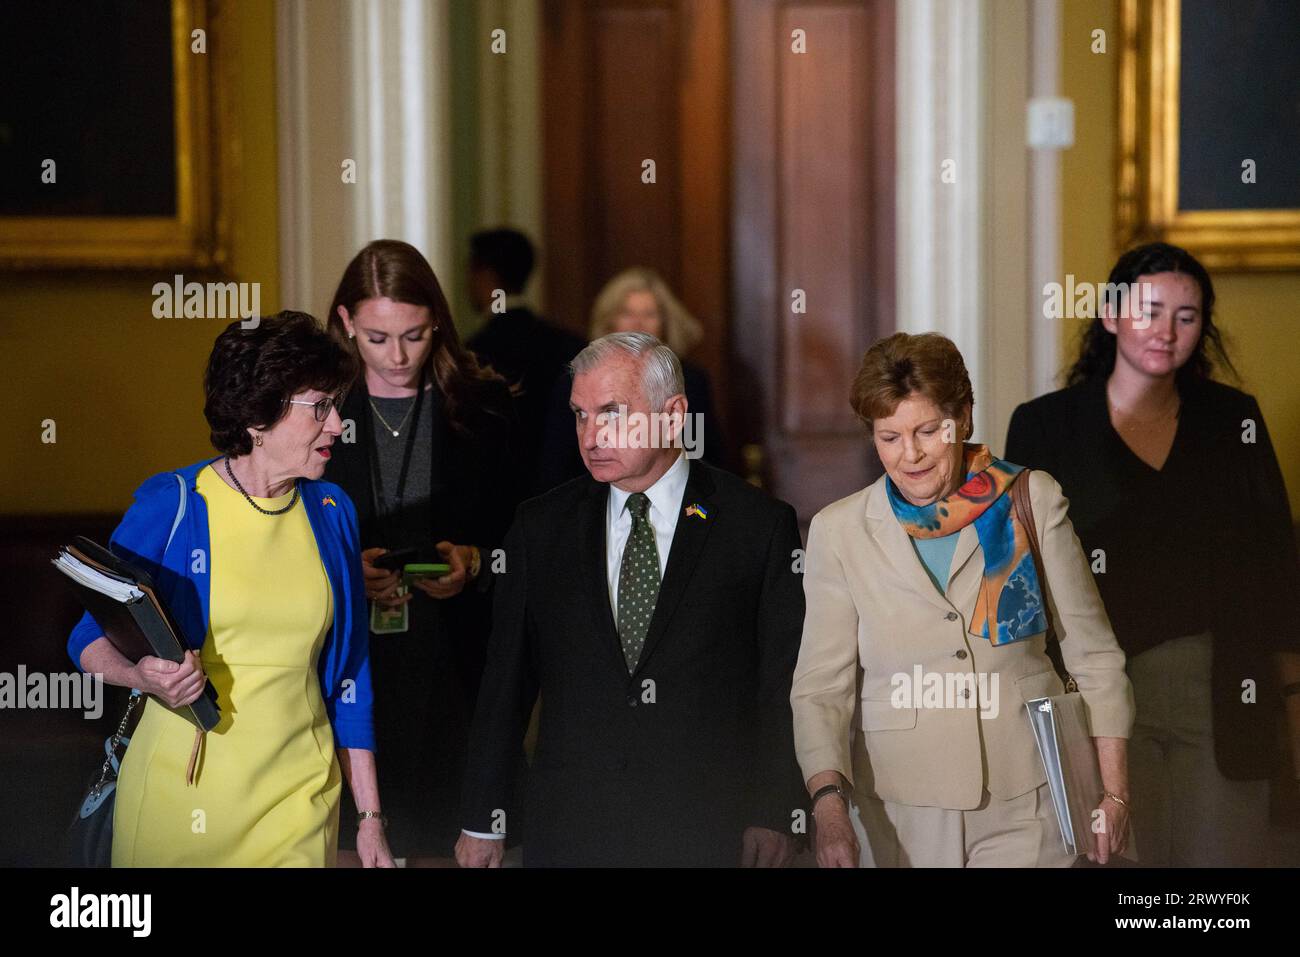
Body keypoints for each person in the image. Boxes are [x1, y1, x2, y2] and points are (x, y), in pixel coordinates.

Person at [456, 332, 806, 867]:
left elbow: (778, 686)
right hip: (572, 829)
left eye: (612, 413)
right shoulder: (541, 527)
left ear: (674, 414)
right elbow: (505, 683)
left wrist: (776, 808)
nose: (591, 435)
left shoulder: (756, 526)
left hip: (708, 829)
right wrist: (484, 816)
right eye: (579, 415)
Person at [1005, 242, 1300, 866]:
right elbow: (1019, 572)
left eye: (1187, 316)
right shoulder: (1044, 425)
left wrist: (1292, 696)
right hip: (1093, 688)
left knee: (1215, 880)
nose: (1166, 332)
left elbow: (1275, 563)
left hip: (1220, 686)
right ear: (1110, 316)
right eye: (1150, 310)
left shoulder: (1232, 420)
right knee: (1122, 866)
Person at [792, 332, 1135, 868]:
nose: (910, 455)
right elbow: (821, 689)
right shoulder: (839, 531)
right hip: (899, 811)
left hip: (1031, 797)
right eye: (889, 437)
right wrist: (828, 807)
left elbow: (1095, 657)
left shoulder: (1032, 497)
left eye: (929, 430)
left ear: (964, 418)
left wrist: (1113, 795)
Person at [66, 312, 393, 867]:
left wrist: (369, 821)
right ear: (259, 416)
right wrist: (138, 676)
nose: (339, 424)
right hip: (182, 795)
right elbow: (87, 638)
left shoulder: (333, 513)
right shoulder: (173, 505)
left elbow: (351, 677)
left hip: (301, 799)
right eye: (321, 407)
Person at [324, 239, 520, 866]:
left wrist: (477, 560)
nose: (399, 357)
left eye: (414, 334)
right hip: (348, 660)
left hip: (457, 659)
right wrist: (342, 574)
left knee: (453, 840)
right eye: (377, 338)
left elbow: (526, 534)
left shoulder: (483, 405)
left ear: (437, 320)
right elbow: (281, 528)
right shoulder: (315, 411)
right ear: (347, 323)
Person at [539, 267, 724, 489]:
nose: (638, 323)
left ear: (665, 324)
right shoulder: (576, 381)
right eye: (627, 313)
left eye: (649, 314)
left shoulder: (689, 380)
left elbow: (701, 452)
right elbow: (556, 463)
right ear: (609, 322)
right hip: (594, 497)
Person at [465, 228, 585, 494]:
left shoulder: (472, 353)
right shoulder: (570, 345)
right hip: (568, 495)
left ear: (484, 275)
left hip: (494, 502)